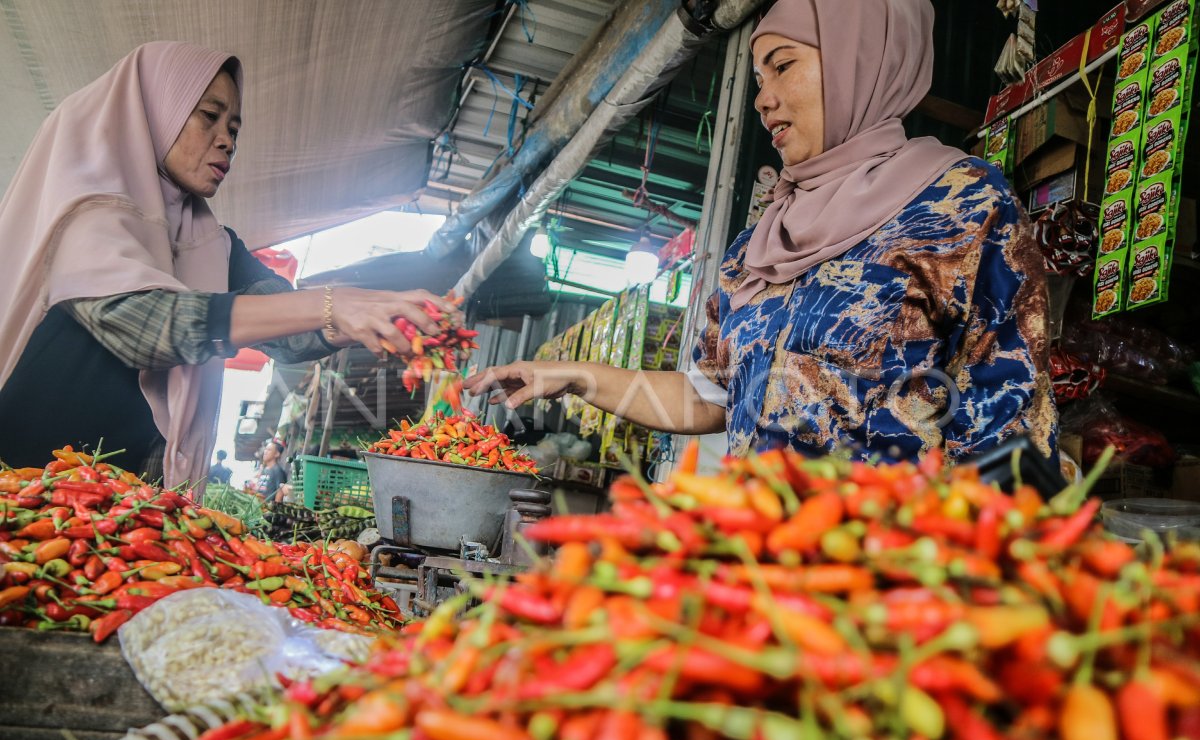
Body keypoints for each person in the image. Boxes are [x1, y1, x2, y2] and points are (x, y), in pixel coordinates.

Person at [466, 0, 1058, 466]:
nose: (763, 99)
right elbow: (709, 395)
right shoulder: (758, 246)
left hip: (890, 586)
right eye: (757, 76)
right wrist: (577, 376)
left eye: (784, 65)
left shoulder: (960, 202)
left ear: (862, 58)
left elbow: (1010, 413)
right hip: (755, 573)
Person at [0, 42, 457, 487]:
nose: (227, 141)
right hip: (20, 490)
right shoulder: (86, 215)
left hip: (115, 509)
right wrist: (333, 305)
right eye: (209, 117)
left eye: (234, 128)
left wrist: (376, 315)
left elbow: (290, 330)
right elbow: (151, 326)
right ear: (154, 112)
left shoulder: (212, 244)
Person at [252, 439, 288, 504]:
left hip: (267, 509)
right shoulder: (264, 470)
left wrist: (274, 510)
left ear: (277, 454)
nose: (265, 452)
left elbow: (280, 492)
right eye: (265, 449)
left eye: (269, 450)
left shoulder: (278, 471)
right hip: (258, 506)